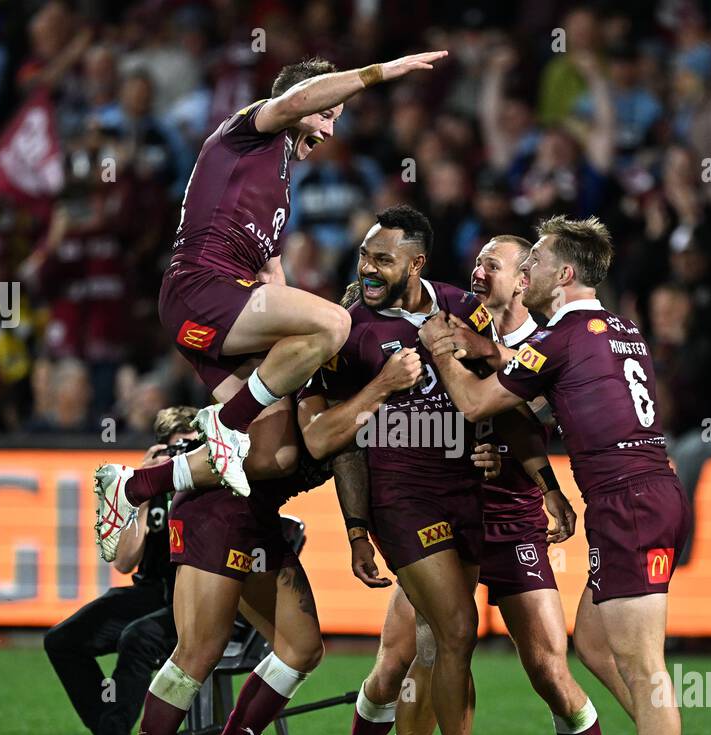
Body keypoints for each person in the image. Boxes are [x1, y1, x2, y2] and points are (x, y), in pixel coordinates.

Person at [421, 215, 711, 735]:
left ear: (566, 273)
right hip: (642, 494)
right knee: (596, 647)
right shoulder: (620, 330)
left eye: (538, 262)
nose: (527, 272)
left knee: (644, 665)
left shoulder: (559, 339)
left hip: (629, 503)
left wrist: (443, 350)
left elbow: (475, 405)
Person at [91, 51, 448, 562]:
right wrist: (376, 74)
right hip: (203, 286)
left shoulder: (279, 185)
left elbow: (274, 277)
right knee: (334, 321)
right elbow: (298, 99)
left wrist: (300, 366)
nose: (328, 130)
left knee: (274, 454)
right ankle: (226, 423)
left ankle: (136, 486)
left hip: (224, 311)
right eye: (328, 113)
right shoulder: (247, 129)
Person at [328, 234, 630, 735]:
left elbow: (521, 417)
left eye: (495, 264)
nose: (478, 270)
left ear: (525, 280)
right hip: (440, 508)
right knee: (406, 656)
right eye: (477, 261)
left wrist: (541, 483)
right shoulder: (452, 317)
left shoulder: (537, 337)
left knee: (548, 665)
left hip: (512, 514)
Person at [298, 206, 519, 735]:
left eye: (381, 260)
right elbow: (335, 440)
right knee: (455, 628)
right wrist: (356, 527)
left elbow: (499, 385)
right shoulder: (348, 332)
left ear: (415, 265)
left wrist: (489, 442)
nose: (366, 269)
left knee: (423, 649)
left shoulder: (457, 306)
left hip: (462, 492)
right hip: (402, 501)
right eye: (365, 256)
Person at [106, 406, 334, 735]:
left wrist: (358, 532)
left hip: (258, 516)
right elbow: (262, 449)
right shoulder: (317, 375)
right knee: (198, 649)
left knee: (301, 649)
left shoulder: (358, 386)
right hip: (216, 510)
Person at [46, 407, 198, 735]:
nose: (175, 453)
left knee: (137, 637)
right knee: (62, 641)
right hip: (151, 590)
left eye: (184, 443)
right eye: (169, 445)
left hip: (195, 593)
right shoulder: (149, 486)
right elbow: (125, 560)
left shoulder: (209, 477)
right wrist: (141, 491)